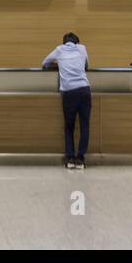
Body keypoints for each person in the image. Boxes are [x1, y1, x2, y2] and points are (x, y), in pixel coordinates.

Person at [42, 33, 91, 170]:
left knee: (69, 127)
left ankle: (70, 159)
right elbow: (86, 66)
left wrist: (59, 64)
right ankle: (80, 159)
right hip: (84, 89)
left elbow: (44, 63)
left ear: (64, 43)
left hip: (69, 92)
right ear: (76, 42)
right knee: (84, 125)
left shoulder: (59, 50)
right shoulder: (82, 49)